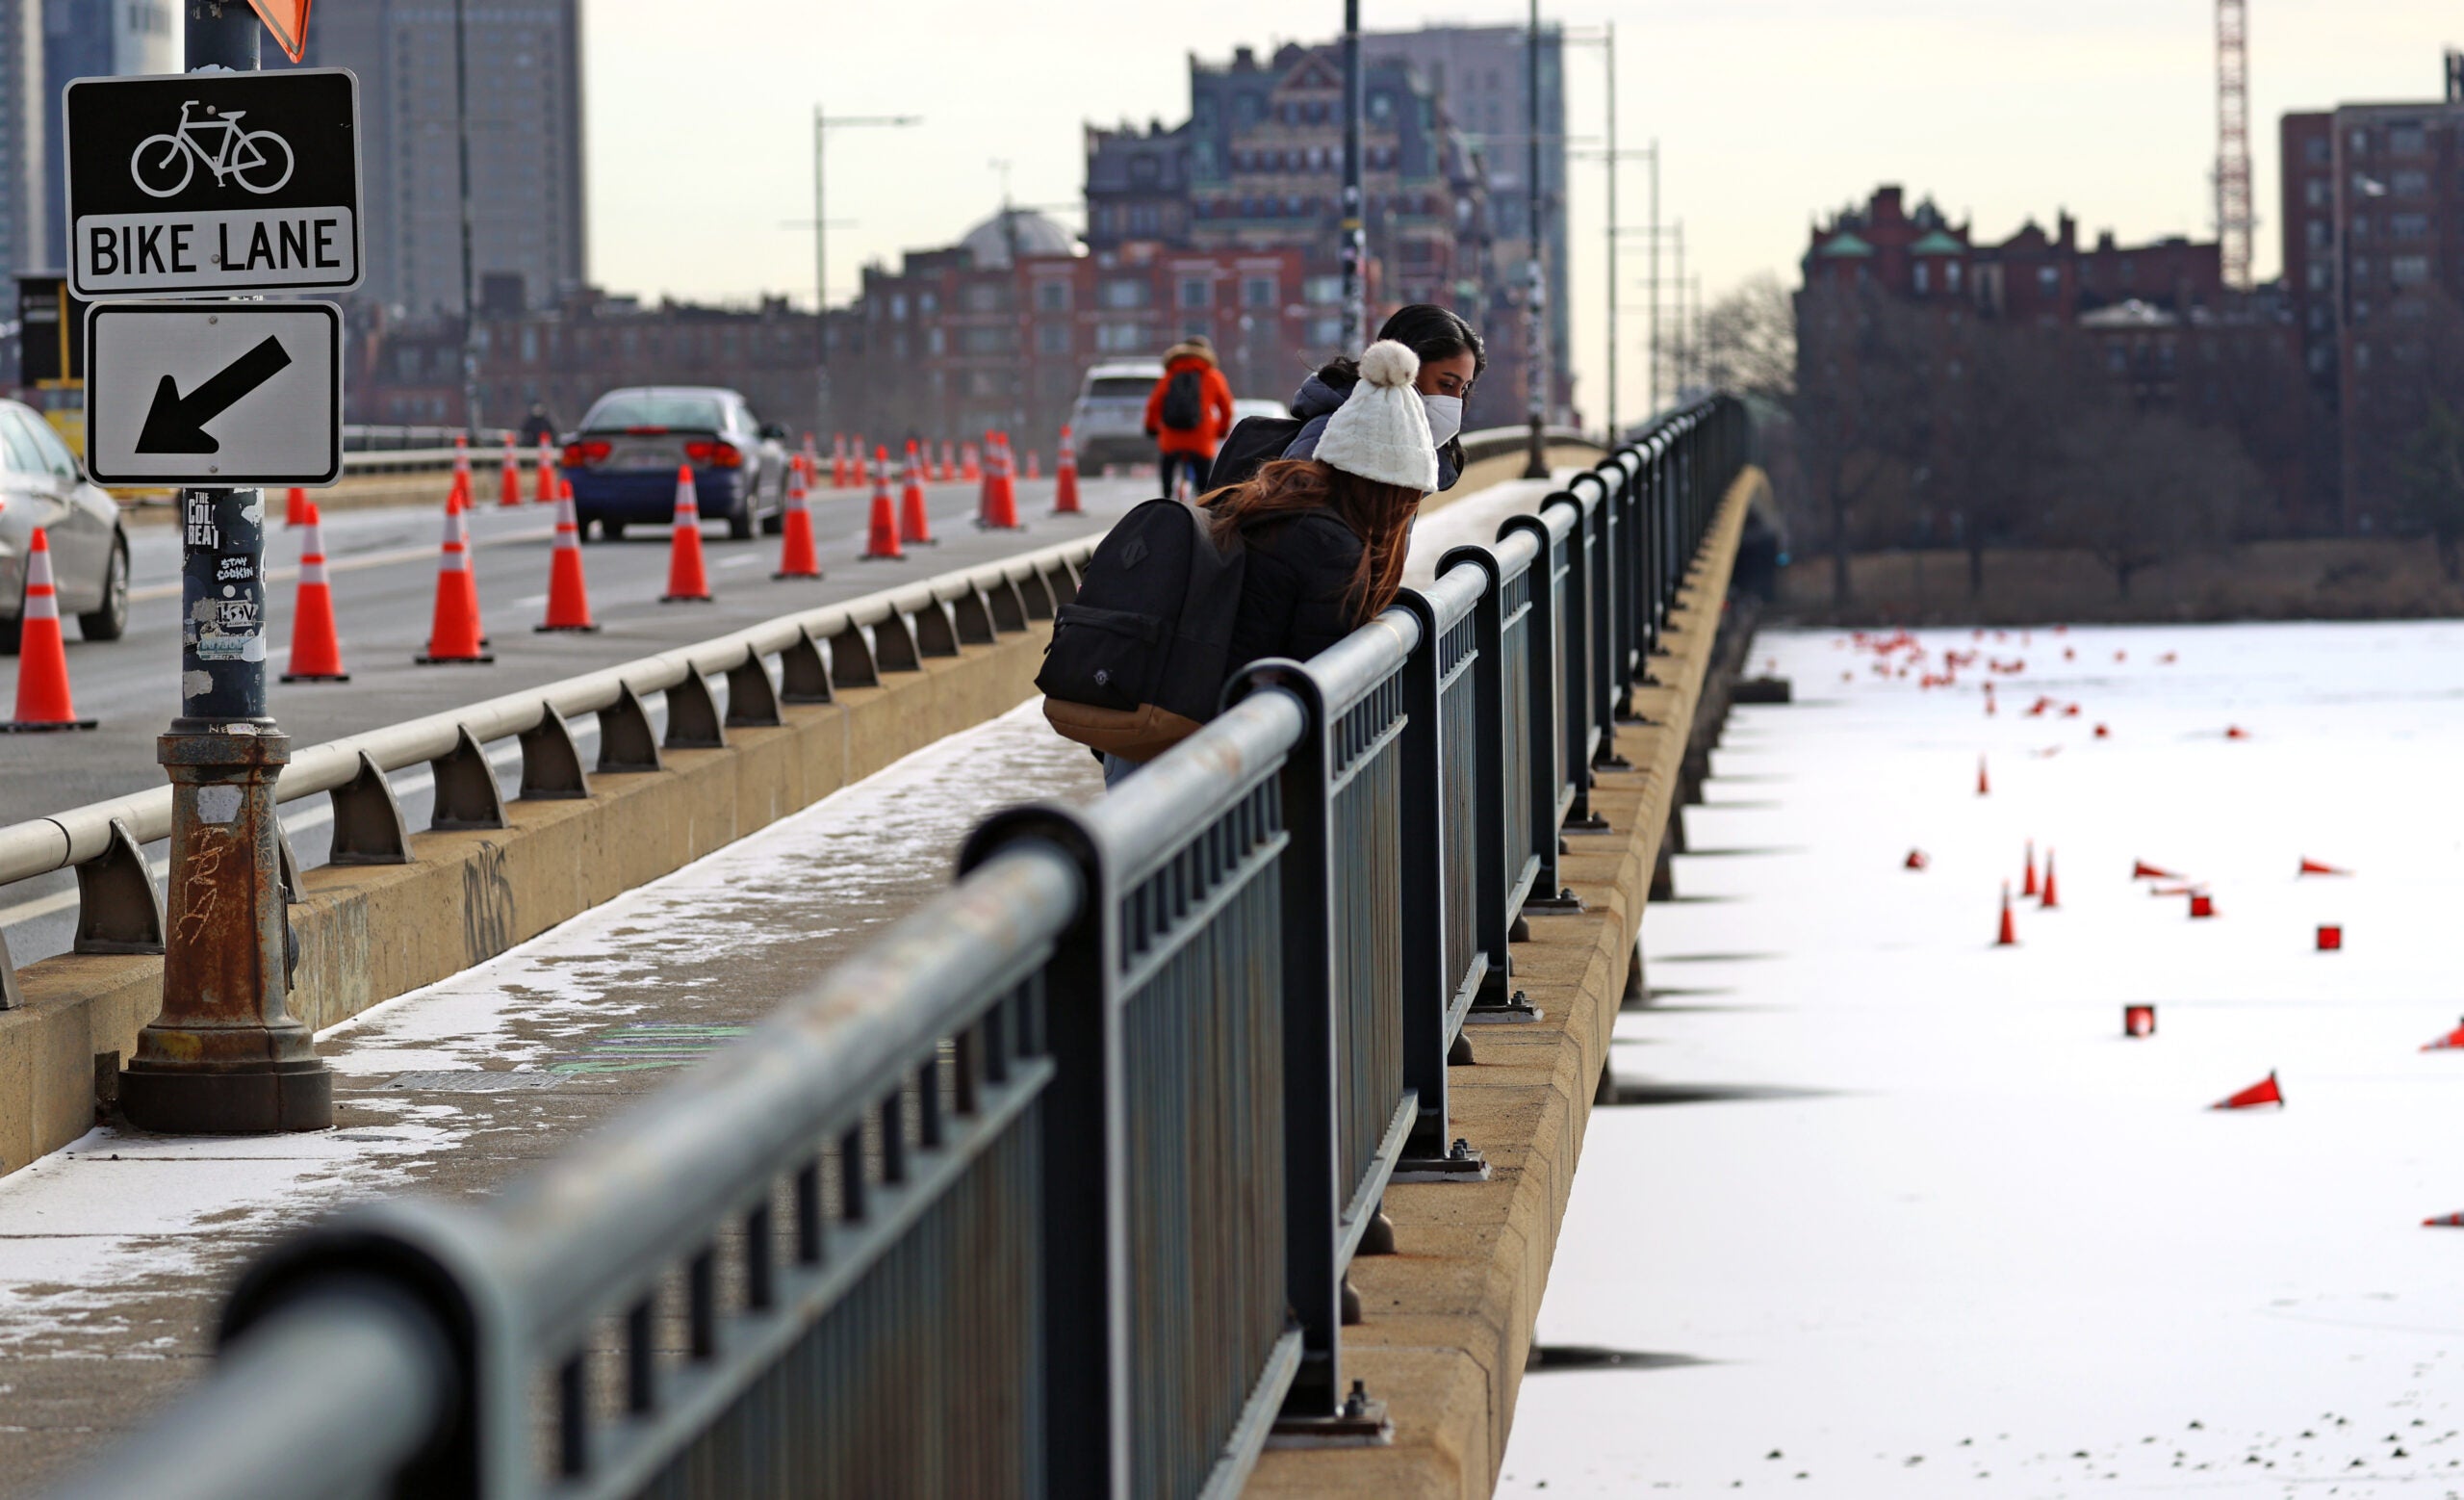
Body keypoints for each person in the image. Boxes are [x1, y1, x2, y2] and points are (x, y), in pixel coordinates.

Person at [1209, 304, 1485, 494]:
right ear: (1403, 369)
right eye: (1447, 383)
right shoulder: (1333, 432)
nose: (1455, 401)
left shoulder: (1408, 447)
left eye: (1463, 389)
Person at [1142, 334, 1235, 498]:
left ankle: (1166, 498)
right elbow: (1226, 407)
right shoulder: (1213, 376)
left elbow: (1153, 405)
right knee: (1204, 483)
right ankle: (1203, 507)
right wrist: (1221, 430)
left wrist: (1151, 427)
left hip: (1172, 435)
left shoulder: (1169, 375)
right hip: (1201, 437)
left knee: (1168, 467)